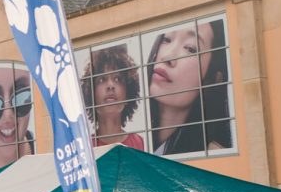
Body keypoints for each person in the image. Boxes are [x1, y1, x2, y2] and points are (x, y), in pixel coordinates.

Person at [146, 19, 232, 155]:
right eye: (167, 39)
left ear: (215, 77)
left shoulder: (214, 153)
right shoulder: (133, 142)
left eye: (190, 48)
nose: (167, 56)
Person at [81, 45, 145, 149]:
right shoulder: (85, 148)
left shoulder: (139, 143)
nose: (110, 85)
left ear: (128, 92)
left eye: (117, 79)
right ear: (91, 94)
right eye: (102, 79)